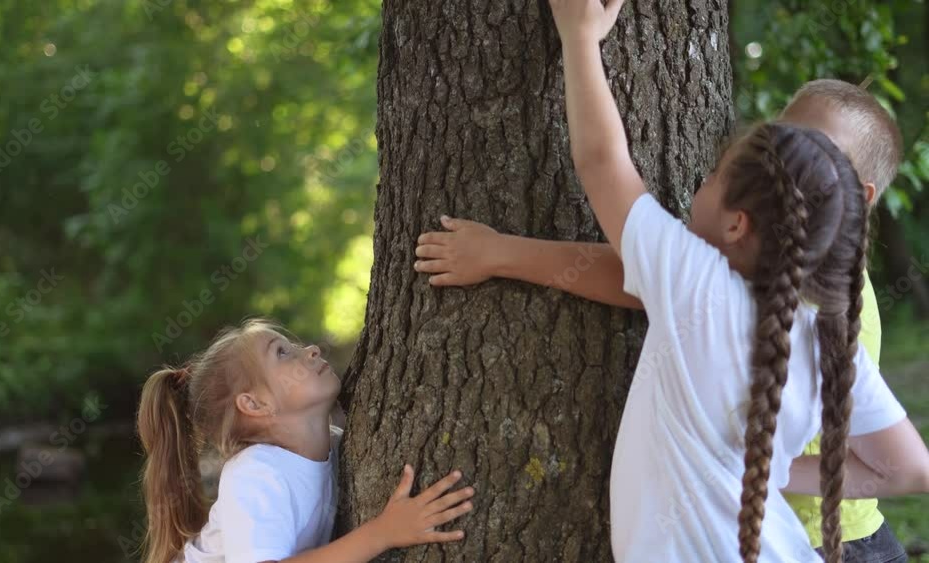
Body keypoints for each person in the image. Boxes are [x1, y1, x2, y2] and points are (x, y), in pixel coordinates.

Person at [419, 1, 929, 561]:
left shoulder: (703, 285)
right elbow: (910, 466)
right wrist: (765, 468)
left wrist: (579, 36)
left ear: (740, 221)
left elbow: (602, 164)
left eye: (714, 175)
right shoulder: (830, 324)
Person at [137, 318, 474, 563]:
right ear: (254, 404)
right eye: (282, 353)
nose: (310, 350)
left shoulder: (339, 443)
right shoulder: (256, 472)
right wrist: (383, 532)